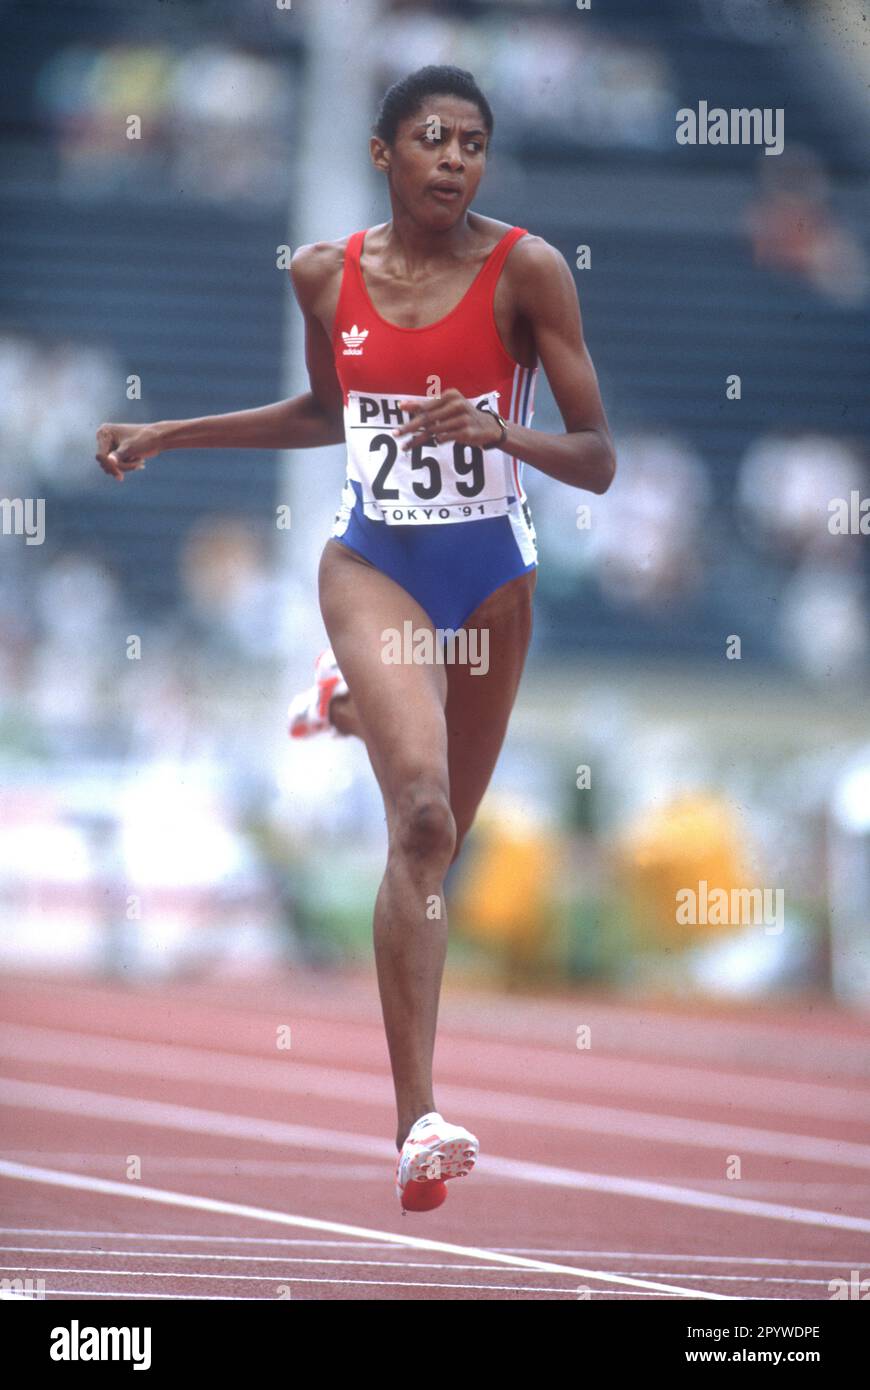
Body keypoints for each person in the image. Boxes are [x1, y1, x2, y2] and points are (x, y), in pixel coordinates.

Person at [95, 64, 616, 1215]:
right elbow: (327, 415)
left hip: (490, 584)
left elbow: (599, 456)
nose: (455, 160)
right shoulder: (324, 274)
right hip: (374, 563)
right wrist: (170, 433)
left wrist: (497, 432)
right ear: (383, 153)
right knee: (418, 817)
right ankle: (416, 1117)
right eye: (432, 139)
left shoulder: (527, 272)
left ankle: (349, 700)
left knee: (443, 848)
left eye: (474, 143)